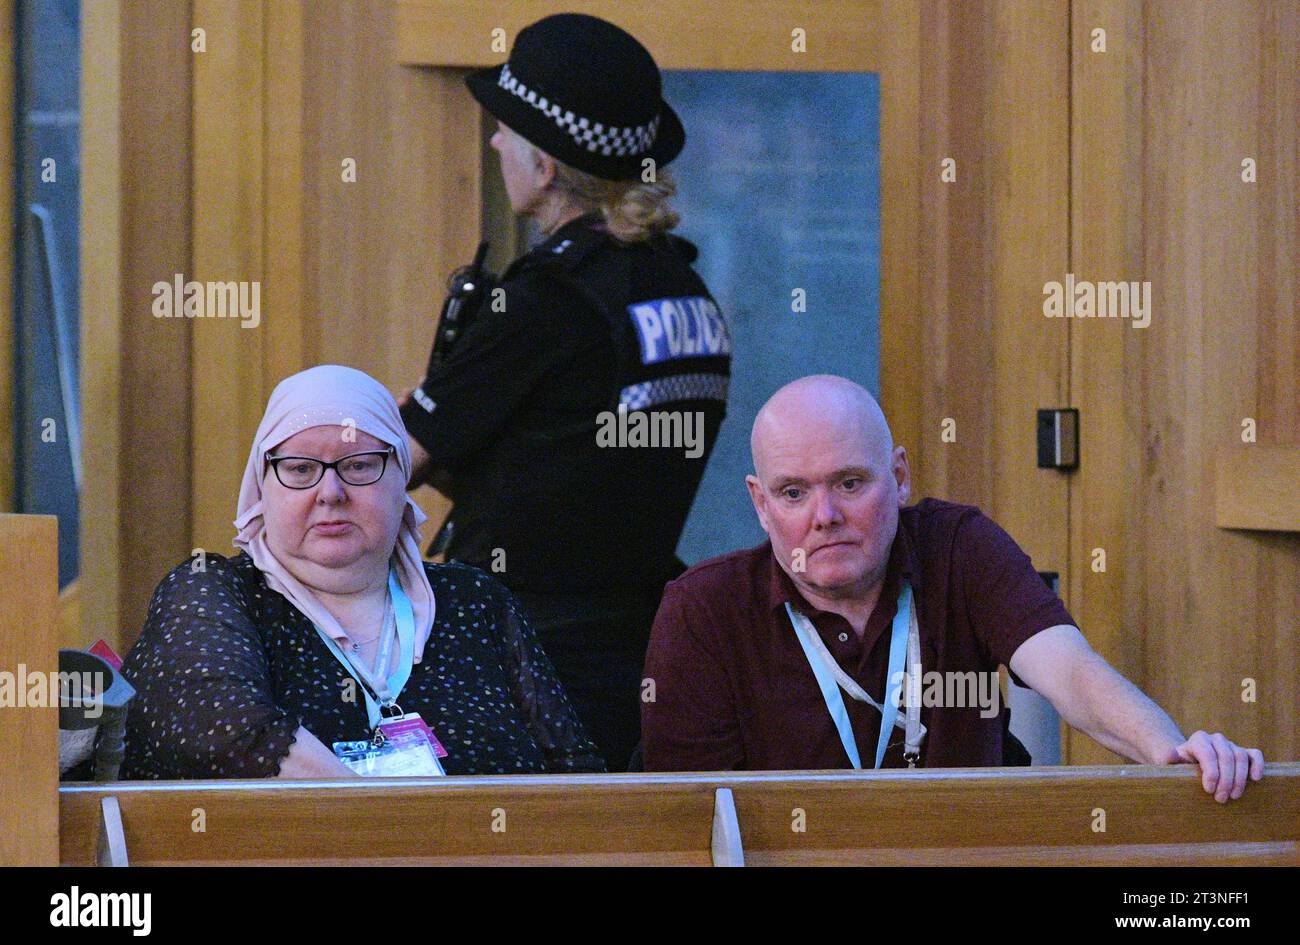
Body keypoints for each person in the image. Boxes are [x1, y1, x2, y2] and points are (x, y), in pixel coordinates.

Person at [641, 375, 1265, 802]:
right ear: (760, 504)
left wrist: (1170, 750)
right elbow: (690, 822)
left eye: (851, 483)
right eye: (794, 492)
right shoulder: (702, 612)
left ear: (900, 477)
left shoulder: (959, 548)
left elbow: (1070, 671)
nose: (824, 515)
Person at [400, 13, 731, 772]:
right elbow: (572, 461)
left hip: (517, 665)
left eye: (505, 130)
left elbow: (395, 457)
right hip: (639, 654)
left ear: (545, 166)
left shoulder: (550, 299)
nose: (494, 144)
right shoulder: (687, 293)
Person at [120, 365, 603, 779]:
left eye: (359, 465)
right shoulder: (215, 591)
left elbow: (576, 773)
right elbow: (225, 733)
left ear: (401, 477)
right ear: (263, 485)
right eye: (300, 469)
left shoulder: (475, 600)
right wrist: (395, 830)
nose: (330, 493)